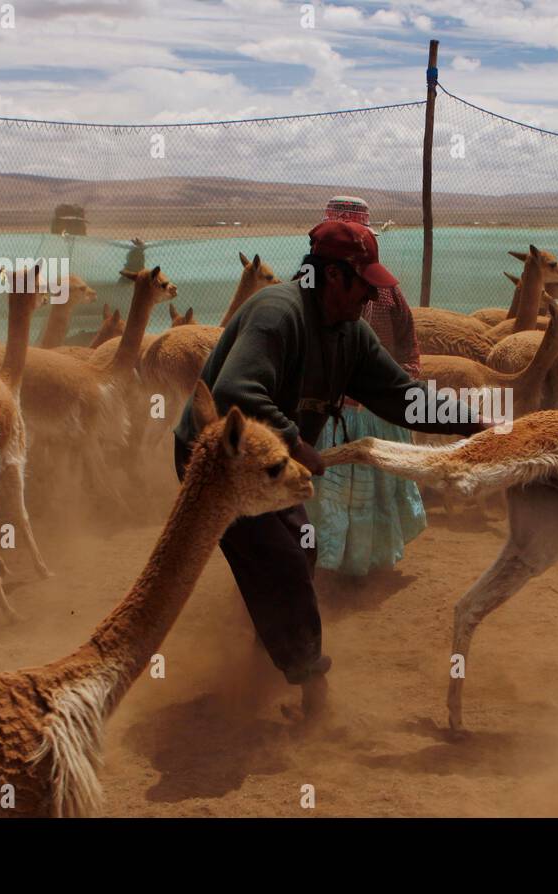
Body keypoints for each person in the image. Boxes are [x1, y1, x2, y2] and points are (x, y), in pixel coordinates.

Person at [172, 216, 481, 719]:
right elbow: (233, 391)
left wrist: (470, 425)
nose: (370, 299)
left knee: (301, 548)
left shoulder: (347, 333)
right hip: (218, 463)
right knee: (285, 555)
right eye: (364, 285)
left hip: (268, 468)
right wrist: (296, 440)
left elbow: (401, 397)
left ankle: (264, 655)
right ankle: (312, 689)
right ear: (333, 276)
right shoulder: (278, 312)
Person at [304, 197, 427, 577]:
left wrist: (397, 379)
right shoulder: (311, 293)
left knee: (357, 492)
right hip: (341, 412)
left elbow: (408, 342)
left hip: (366, 413)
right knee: (339, 493)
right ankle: (338, 561)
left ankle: (359, 560)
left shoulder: (383, 293)